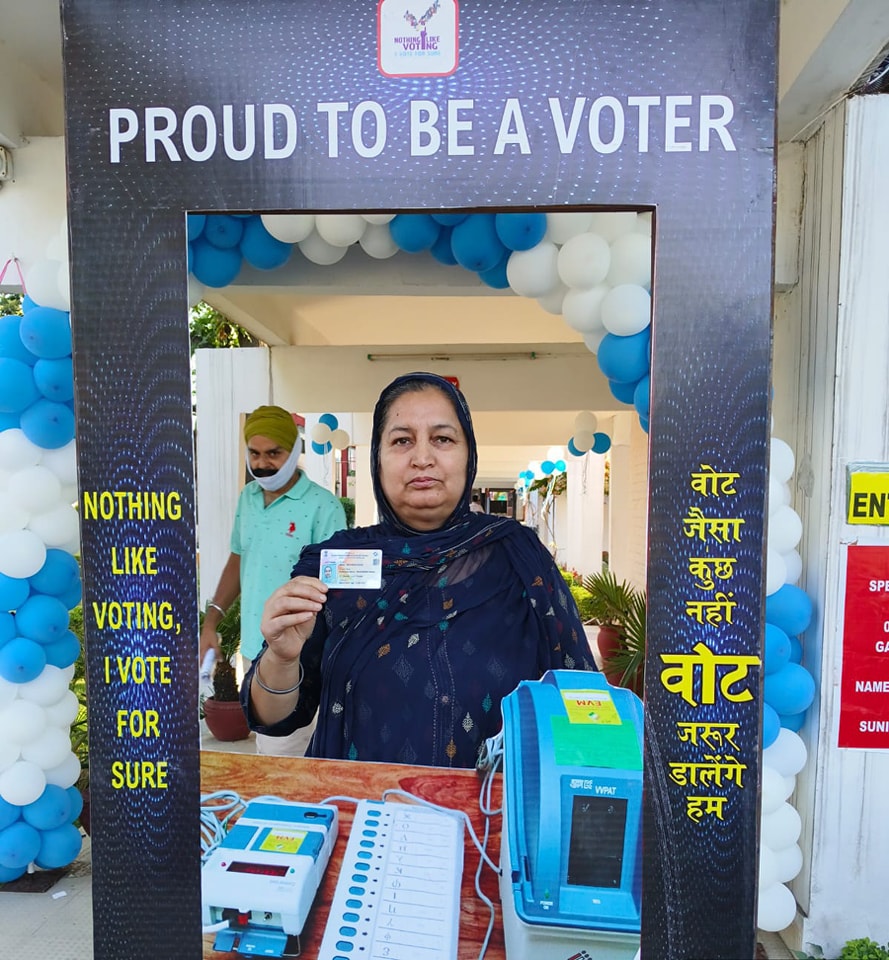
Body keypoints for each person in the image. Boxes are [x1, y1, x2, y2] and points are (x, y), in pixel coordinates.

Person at [240, 373, 597, 768]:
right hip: (365, 815)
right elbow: (274, 718)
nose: (422, 457)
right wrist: (282, 658)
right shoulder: (332, 562)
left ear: (468, 454)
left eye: (442, 439)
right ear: (377, 457)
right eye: (401, 440)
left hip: (491, 819)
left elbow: (580, 696)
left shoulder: (518, 555)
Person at [200, 404, 347, 755]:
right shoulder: (248, 499)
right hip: (254, 650)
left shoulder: (323, 507)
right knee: (270, 751)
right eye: (254, 453)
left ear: (295, 450)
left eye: (273, 453)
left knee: (286, 758)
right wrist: (211, 622)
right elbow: (239, 558)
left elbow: (337, 587)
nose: (262, 463)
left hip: (299, 655)